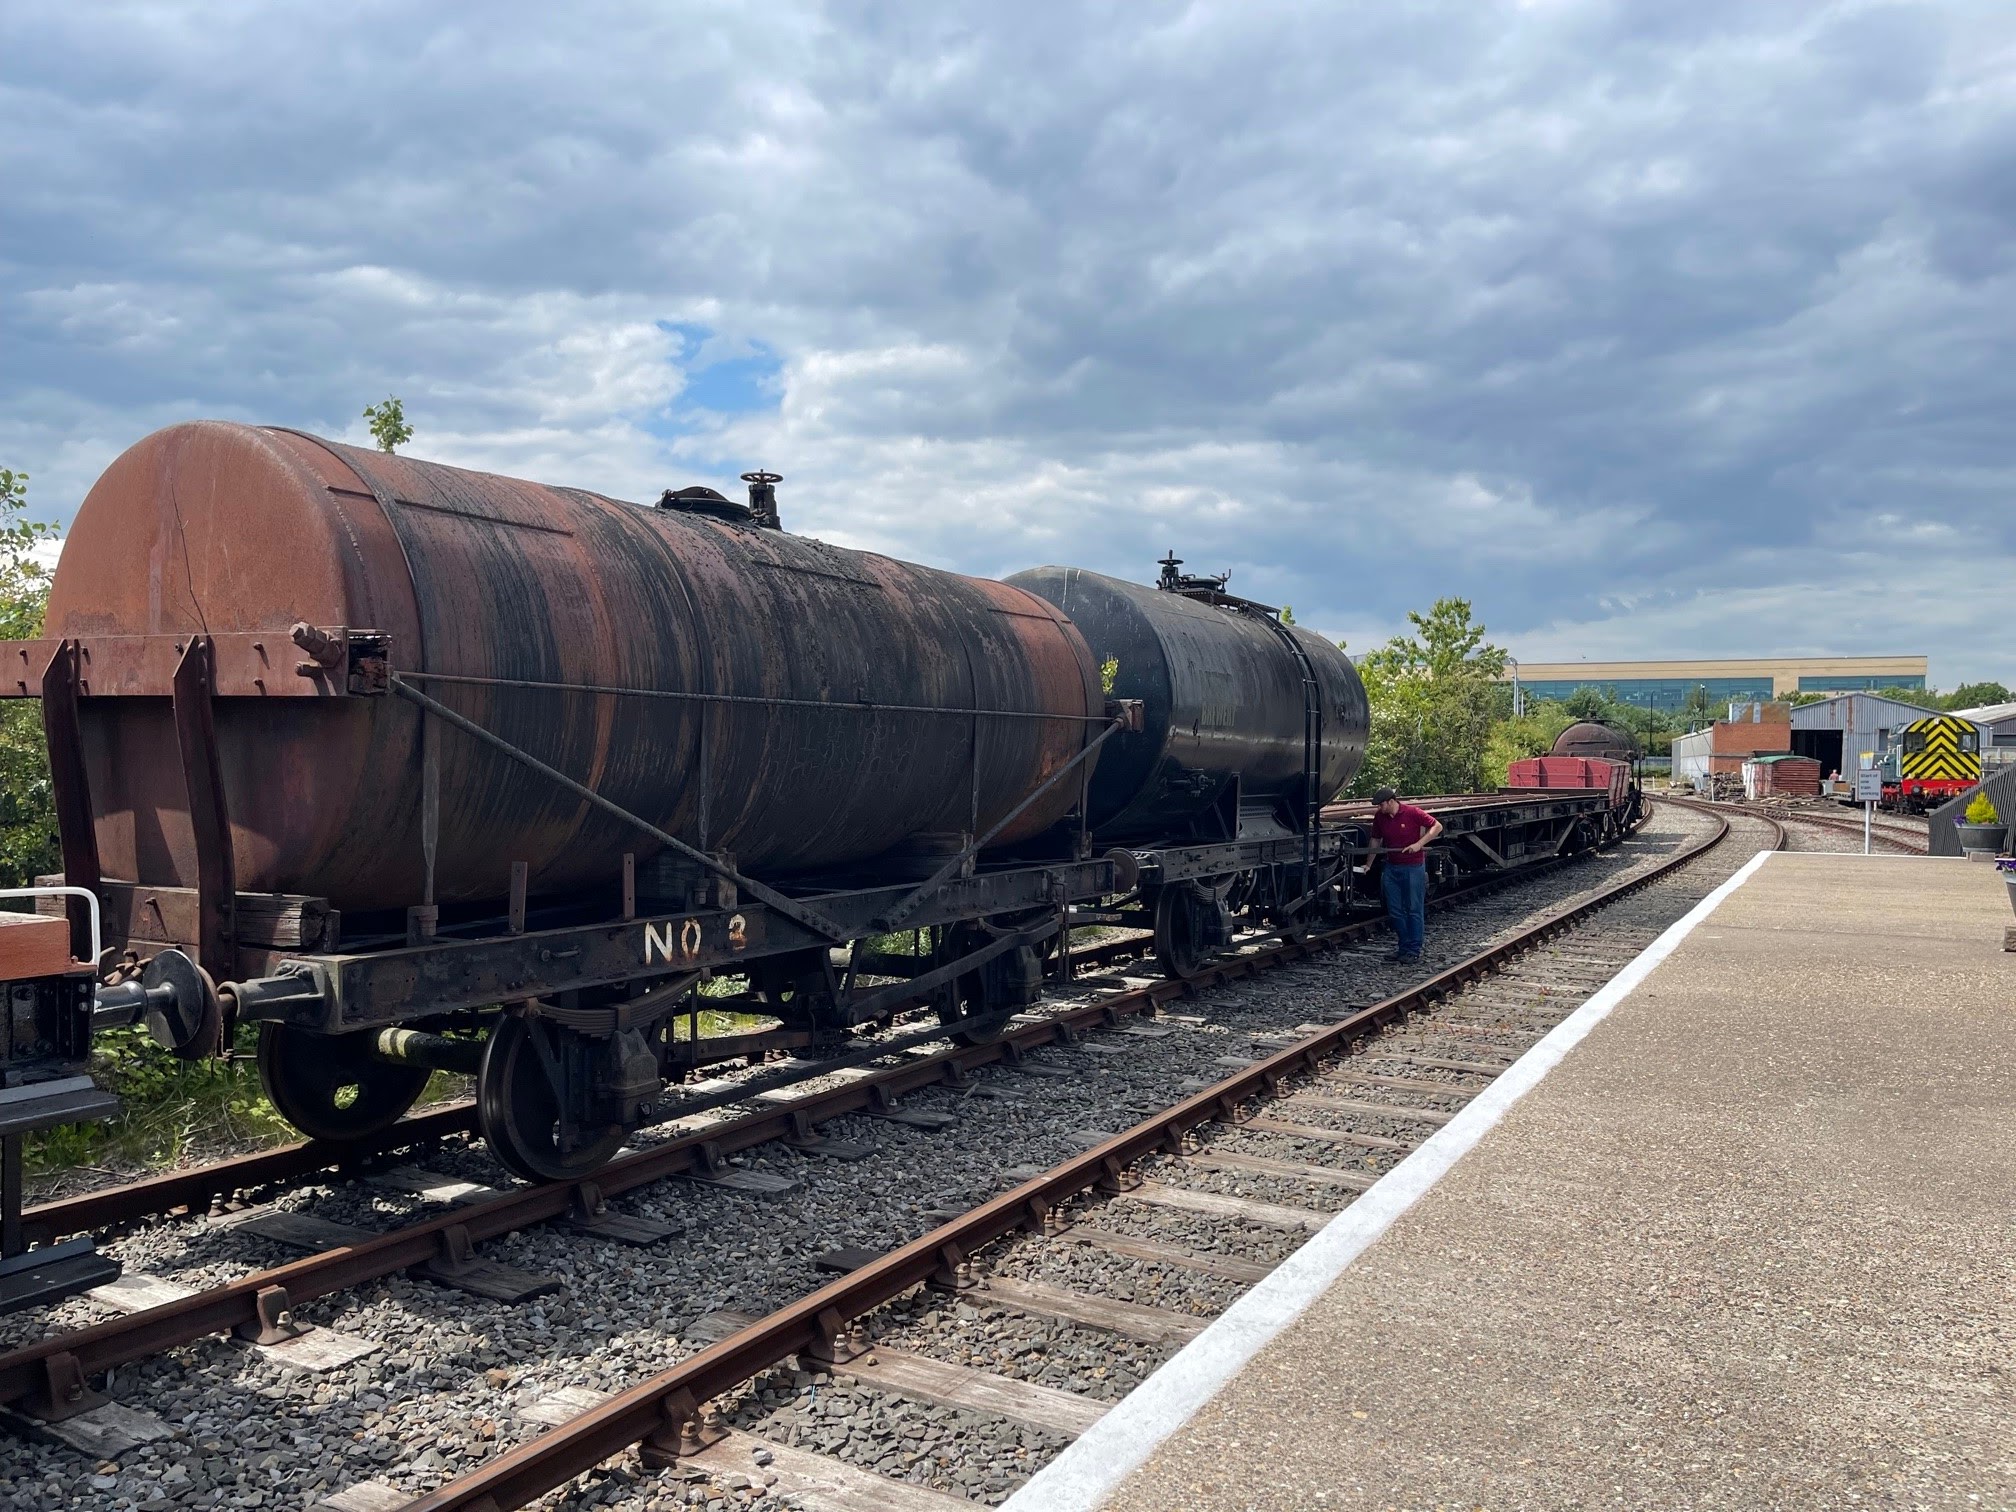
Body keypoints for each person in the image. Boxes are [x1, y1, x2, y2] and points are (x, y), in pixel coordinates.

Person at [1369, 786, 1442, 962]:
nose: (1379, 808)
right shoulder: (1380, 817)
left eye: (1381, 804)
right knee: (1395, 910)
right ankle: (1403, 947)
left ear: (1391, 801)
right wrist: (1368, 863)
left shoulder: (1412, 812)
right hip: (1392, 866)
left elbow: (1437, 826)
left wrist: (1419, 844)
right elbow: (1375, 839)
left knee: (1413, 908)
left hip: (1413, 866)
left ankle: (1413, 950)